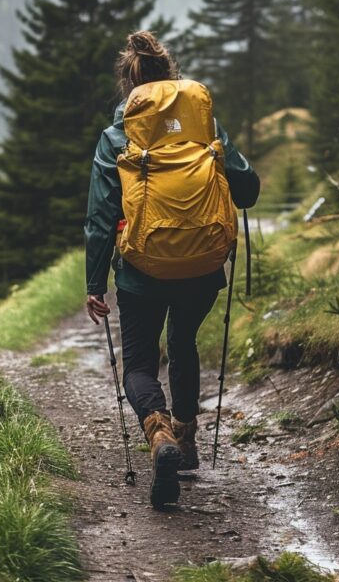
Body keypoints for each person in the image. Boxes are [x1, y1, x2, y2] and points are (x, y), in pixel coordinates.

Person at [84, 30, 260, 508]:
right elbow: (247, 191)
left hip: (142, 271)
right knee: (183, 342)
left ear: (130, 86)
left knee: (140, 363)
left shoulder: (117, 135)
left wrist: (94, 283)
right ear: (173, 78)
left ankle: (158, 433)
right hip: (202, 267)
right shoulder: (206, 125)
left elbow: (102, 217)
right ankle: (185, 440)